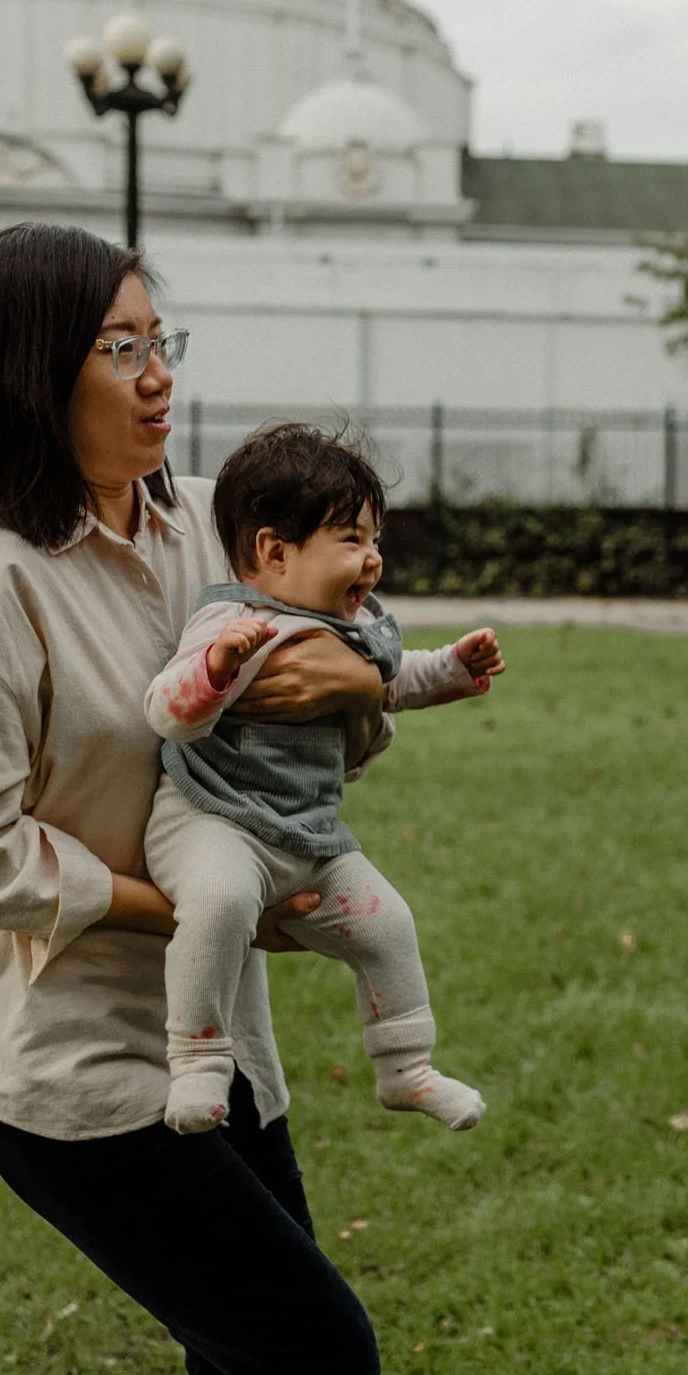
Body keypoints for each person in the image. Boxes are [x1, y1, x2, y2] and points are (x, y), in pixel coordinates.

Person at [0, 222, 383, 1375]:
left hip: (218, 1040)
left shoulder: (207, 525)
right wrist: (181, 908)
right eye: (118, 348)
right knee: (315, 1354)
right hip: (72, 1070)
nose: (158, 375)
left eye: (162, 341)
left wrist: (357, 675)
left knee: (244, 1360)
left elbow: (343, 644)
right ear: (28, 372)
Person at [144, 421, 501, 1134]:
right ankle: (197, 1061)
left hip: (308, 831)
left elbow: (394, 681)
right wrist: (216, 670)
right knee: (216, 903)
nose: (371, 560)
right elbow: (166, 711)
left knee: (388, 922)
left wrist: (455, 670)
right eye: (351, 540)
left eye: (375, 540)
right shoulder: (230, 620)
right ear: (274, 551)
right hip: (213, 818)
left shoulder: (354, 624)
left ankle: (406, 1067)